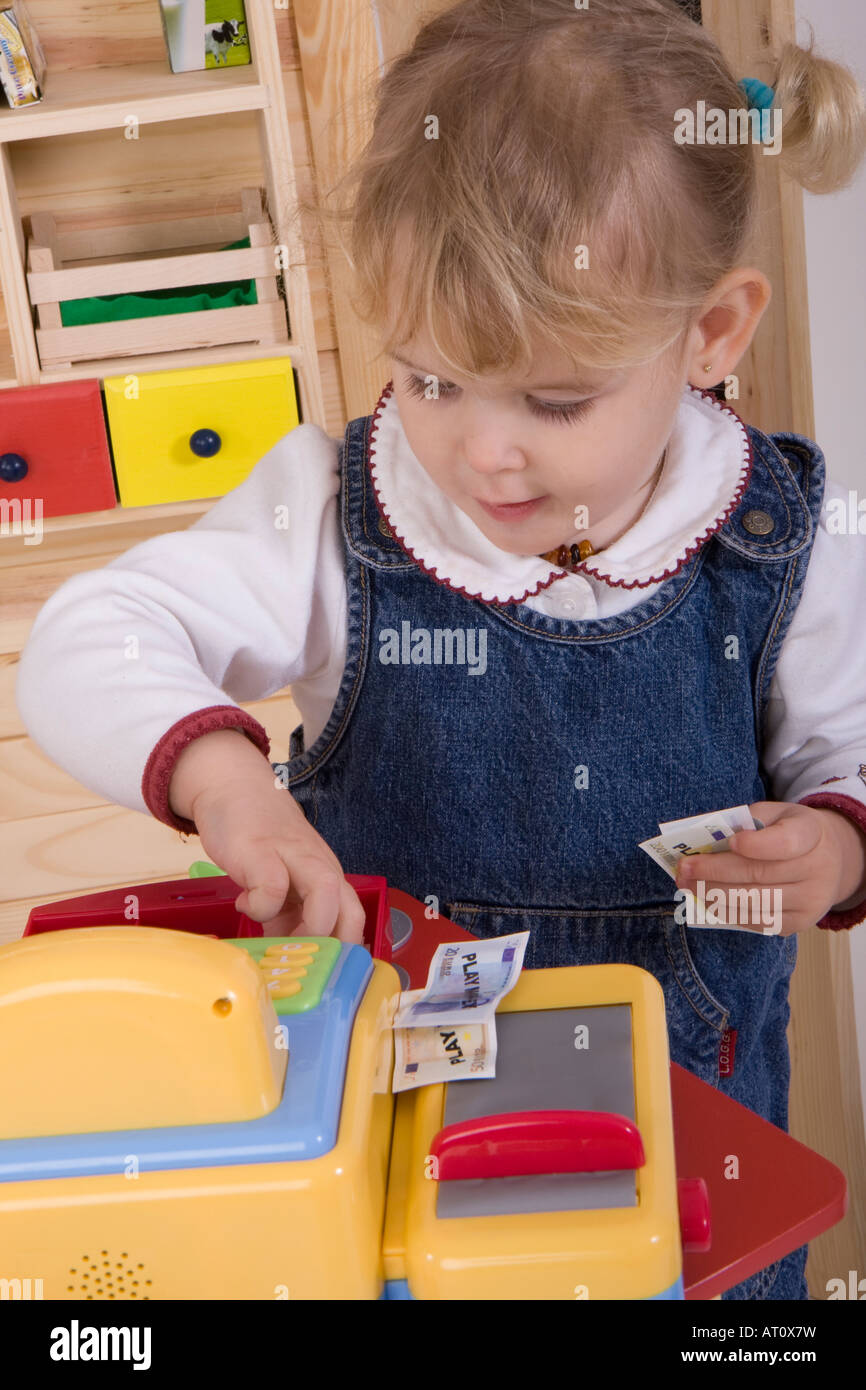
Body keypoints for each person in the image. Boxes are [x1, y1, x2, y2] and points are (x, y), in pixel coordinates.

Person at [16, 0, 866, 1300]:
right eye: (430, 377)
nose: (481, 451)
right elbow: (86, 637)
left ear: (710, 333)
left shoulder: (781, 537)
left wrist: (840, 844)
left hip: (684, 1189)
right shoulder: (334, 505)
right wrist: (227, 784)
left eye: (554, 397)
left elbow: (849, 748)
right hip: (387, 1181)